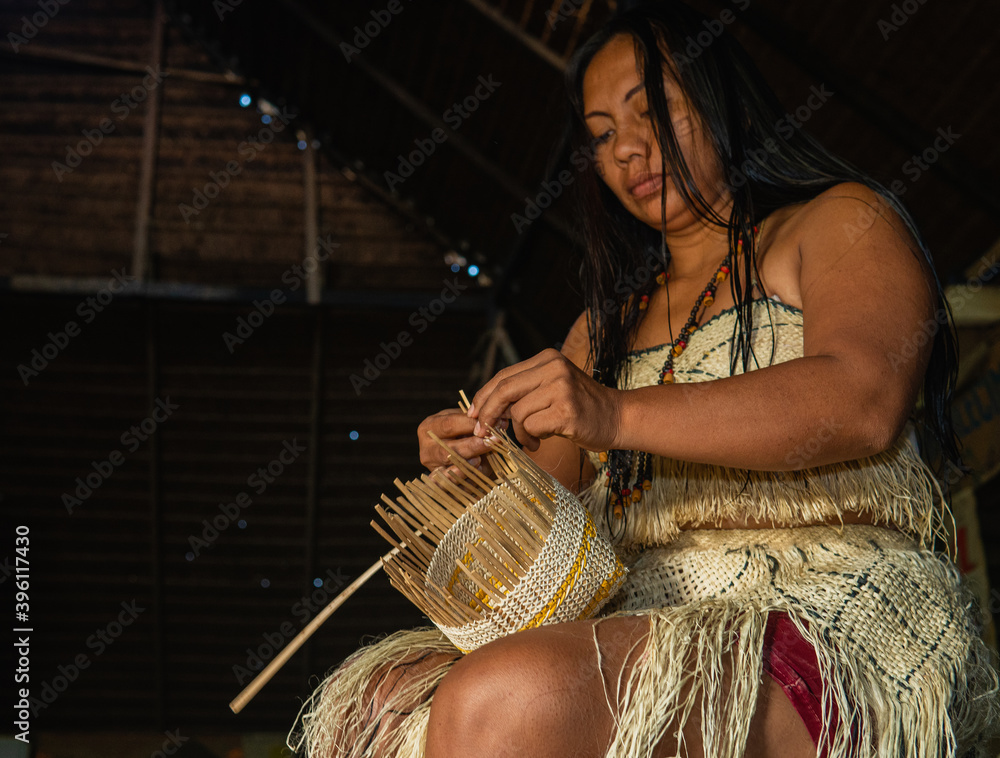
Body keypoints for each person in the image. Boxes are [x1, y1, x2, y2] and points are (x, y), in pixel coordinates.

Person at [288, 2, 1000, 756]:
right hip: (635, 619)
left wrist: (613, 413)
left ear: (718, 99)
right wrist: (473, 473)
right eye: (600, 135)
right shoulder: (600, 333)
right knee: (375, 702)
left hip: (816, 611)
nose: (627, 150)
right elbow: (541, 515)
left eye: (651, 110)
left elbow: (862, 400)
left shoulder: (833, 223)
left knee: (500, 700)